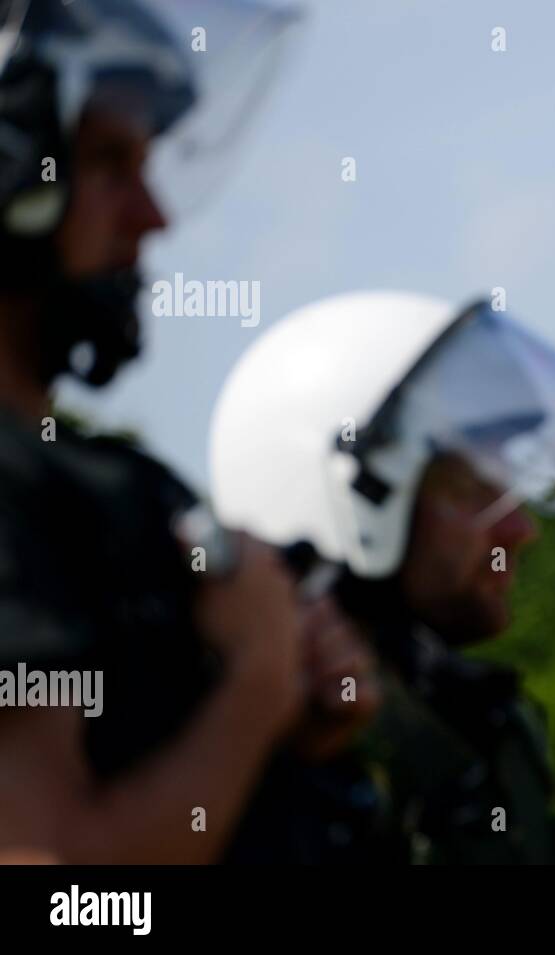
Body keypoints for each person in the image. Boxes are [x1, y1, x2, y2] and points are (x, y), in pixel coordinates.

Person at [0, 0, 376, 863]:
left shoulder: (95, 487)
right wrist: (257, 678)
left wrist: (283, 728)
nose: (153, 215)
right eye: (109, 163)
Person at [209, 291, 555, 863]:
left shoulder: (469, 727)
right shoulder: (261, 771)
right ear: (359, 498)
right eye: (471, 488)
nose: (520, 529)